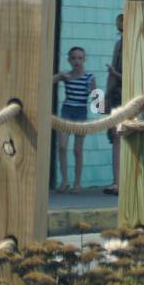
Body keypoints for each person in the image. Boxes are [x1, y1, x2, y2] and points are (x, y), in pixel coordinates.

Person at [52, 46, 96, 193]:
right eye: (74, 58)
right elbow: (47, 82)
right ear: (69, 60)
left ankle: (77, 183)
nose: (77, 61)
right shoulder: (67, 76)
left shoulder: (89, 77)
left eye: (80, 58)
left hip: (80, 112)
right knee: (62, 147)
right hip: (66, 111)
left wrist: (95, 93)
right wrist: (59, 76)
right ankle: (64, 181)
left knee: (78, 150)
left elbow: (98, 102)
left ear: (84, 59)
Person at [103, 12, 124, 195]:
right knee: (117, 137)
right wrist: (106, 98)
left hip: (129, 97)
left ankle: (120, 181)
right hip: (118, 95)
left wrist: (115, 76)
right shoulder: (119, 45)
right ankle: (117, 181)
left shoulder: (130, 46)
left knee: (123, 138)